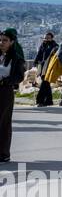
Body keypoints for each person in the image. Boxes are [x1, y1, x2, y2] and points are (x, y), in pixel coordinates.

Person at [0, 29, 25, 164]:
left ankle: (3, 153)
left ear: (11, 42)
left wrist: (5, 81)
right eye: (0, 40)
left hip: (4, 92)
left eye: (5, 40)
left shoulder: (16, 58)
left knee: (3, 122)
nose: (1, 43)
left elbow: (19, 76)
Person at [33, 32, 56, 107]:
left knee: (45, 83)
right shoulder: (43, 45)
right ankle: (49, 101)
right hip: (42, 66)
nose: (46, 39)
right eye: (45, 37)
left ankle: (40, 100)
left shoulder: (55, 46)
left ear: (52, 38)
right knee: (46, 83)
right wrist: (35, 62)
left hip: (49, 67)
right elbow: (39, 54)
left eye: (48, 37)